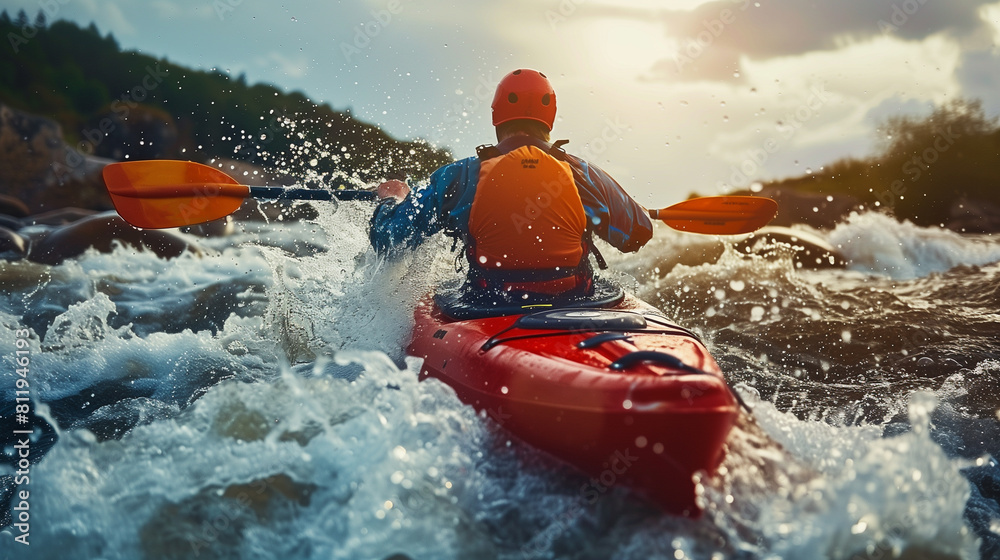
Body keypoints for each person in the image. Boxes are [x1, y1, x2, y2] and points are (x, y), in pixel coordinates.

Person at [369, 68, 653, 299]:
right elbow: (637, 234)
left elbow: (389, 241)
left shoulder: (460, 176)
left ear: (496, 117)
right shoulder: (582, 174)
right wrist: (619, 205)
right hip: (575, 303)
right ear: (550, 119)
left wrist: (392, 199)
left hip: (488, 305)